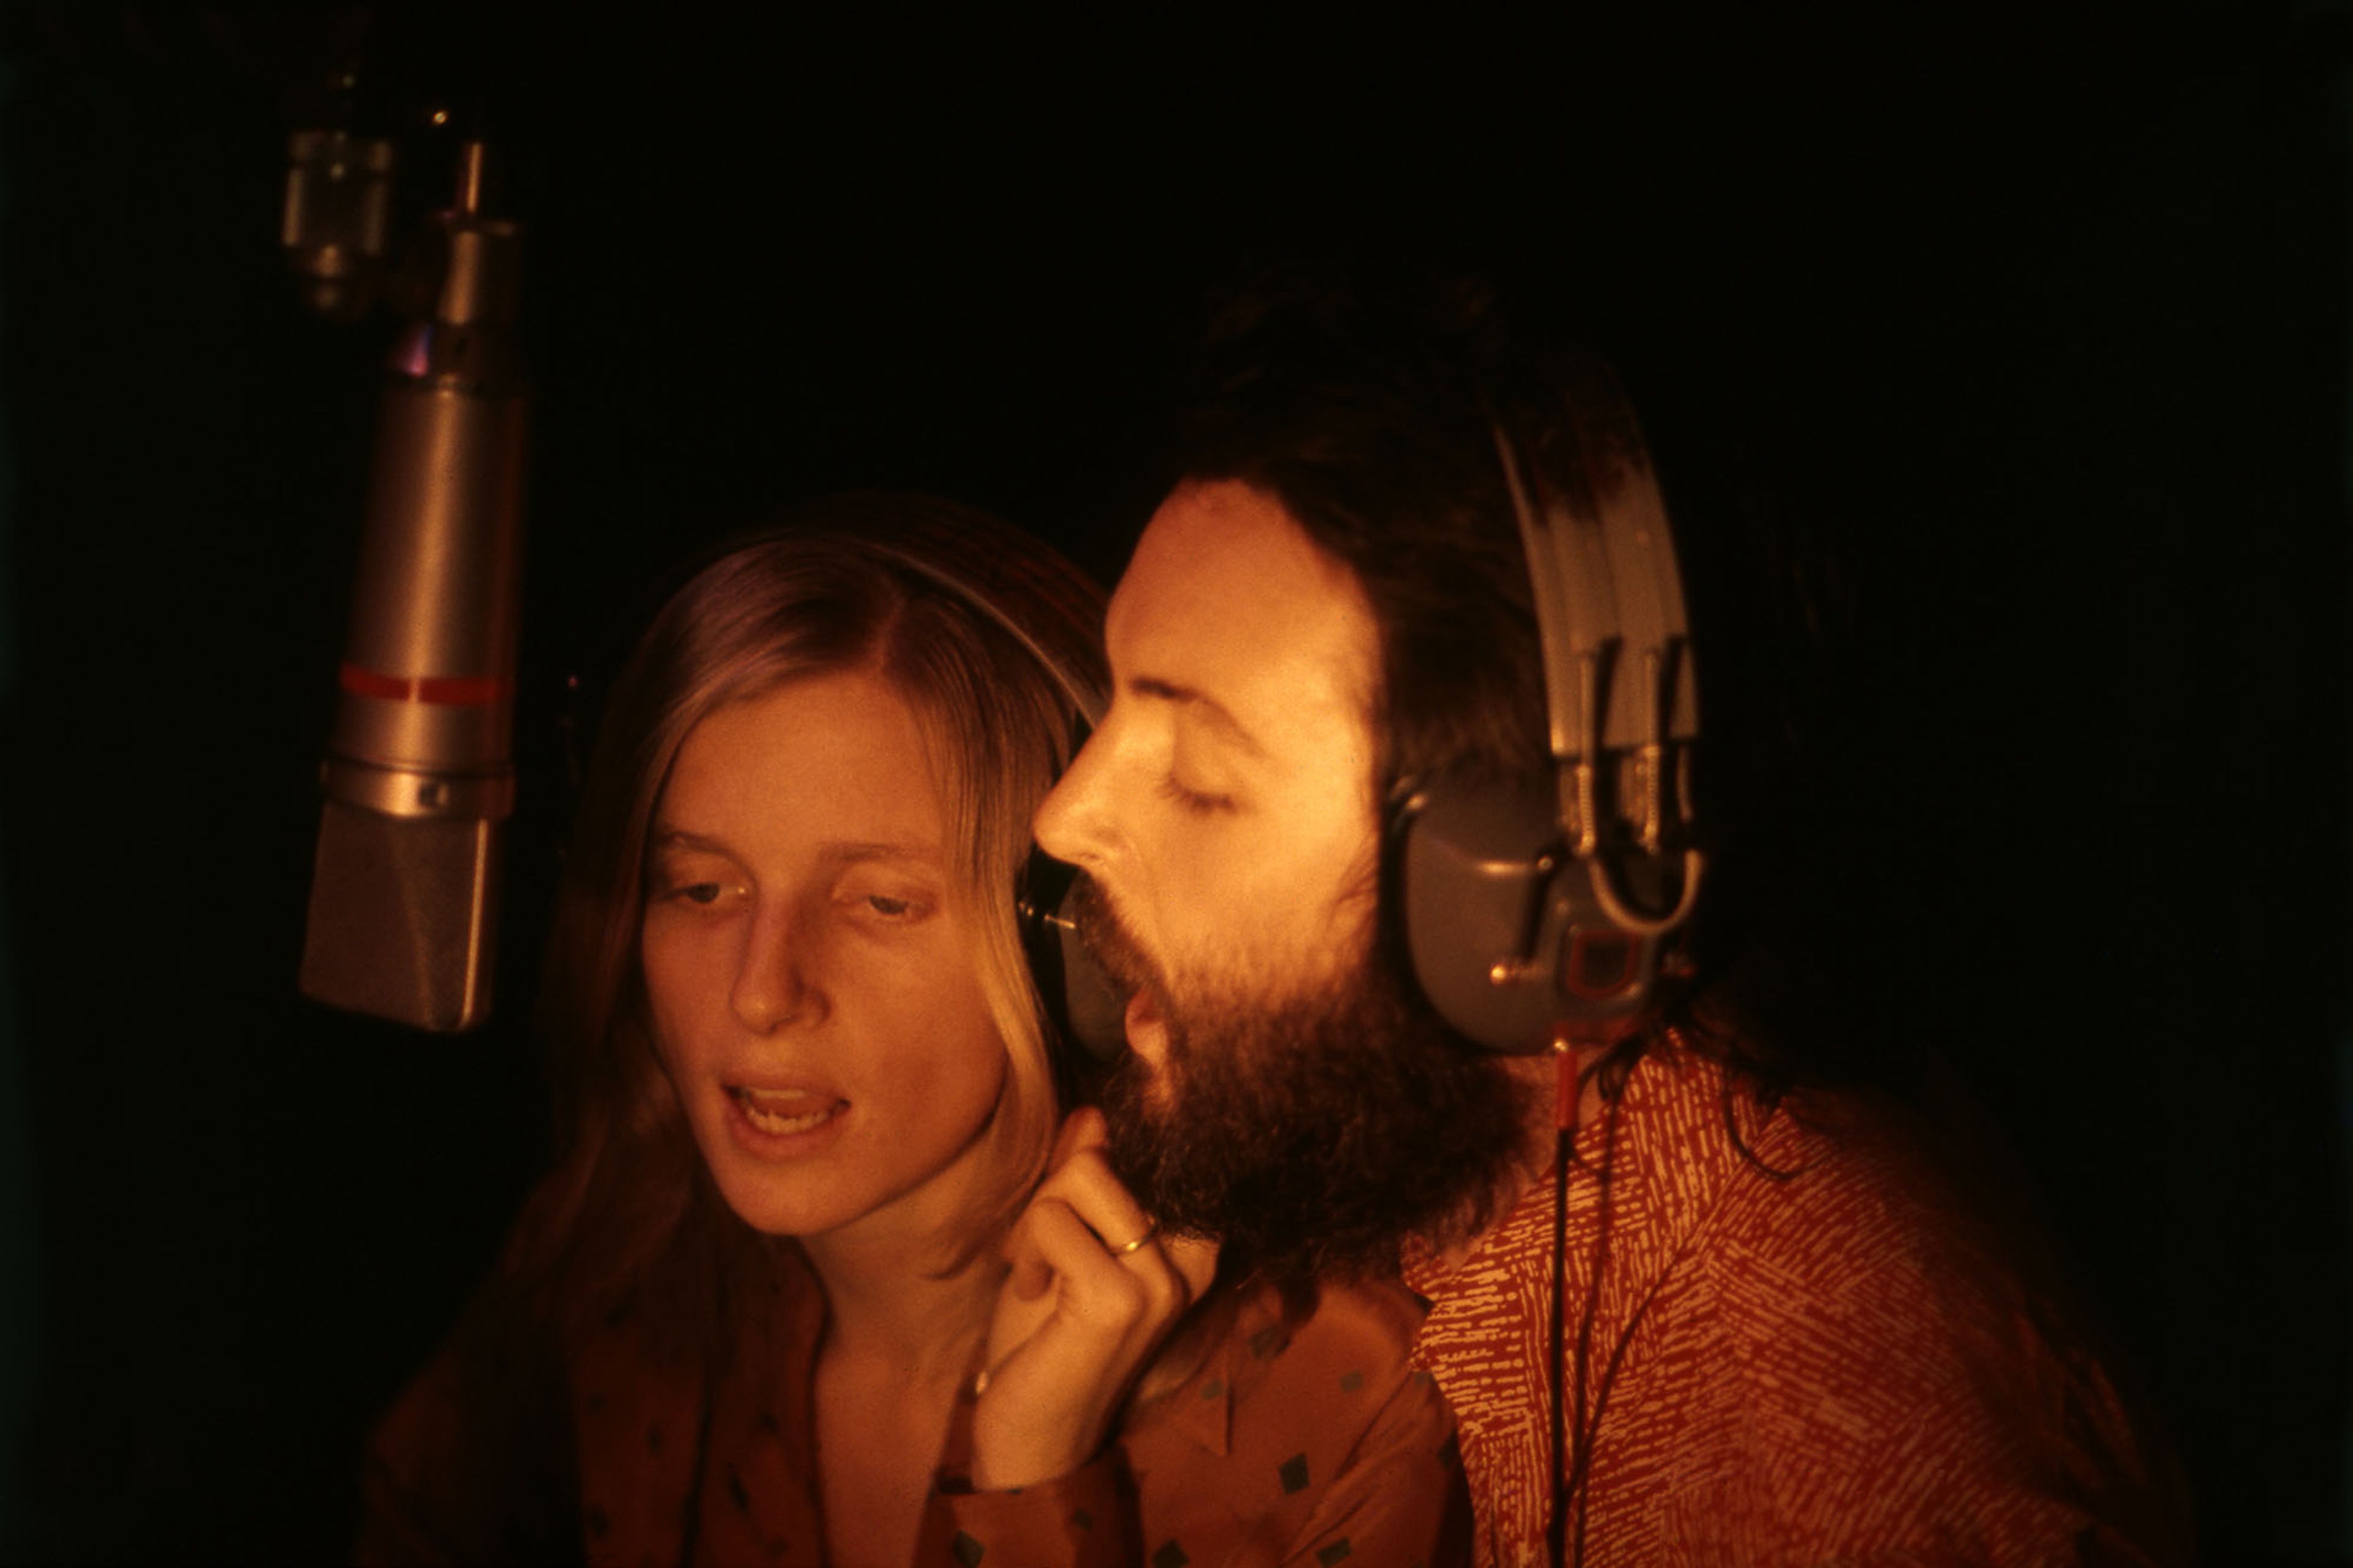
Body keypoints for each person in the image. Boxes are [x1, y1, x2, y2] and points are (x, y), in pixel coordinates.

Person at [1029, 278, 2197, 1567]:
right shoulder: (1434, 1156)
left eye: (1201, 774)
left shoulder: (1824, 1454)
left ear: (1518, 890)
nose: (1064, 817)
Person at [354, 498, 1468, 1567]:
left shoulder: (1346, 1410)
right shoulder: (619, 1257)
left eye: (880, 903)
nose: (761, 993)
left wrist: (1033, 1489)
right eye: (700, 888)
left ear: (1076, 942)